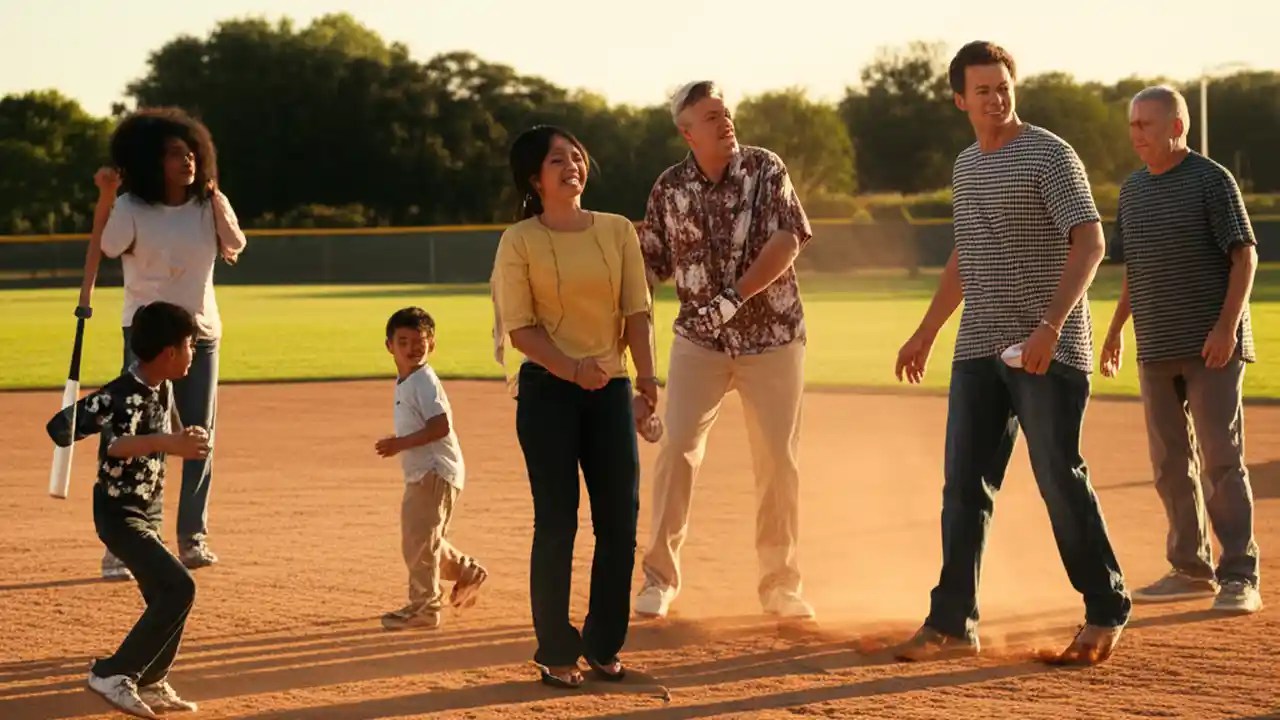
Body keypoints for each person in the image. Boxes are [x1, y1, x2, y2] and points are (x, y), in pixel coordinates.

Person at [892, 41, 1131, 664]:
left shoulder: (1049, 154)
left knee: (1057, 477)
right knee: (963, 486)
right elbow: (965, 258)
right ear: (959, 99)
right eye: (983, 91)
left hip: (1048, 347)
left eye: (1004, 87)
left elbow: (1091, 240)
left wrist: (1052, 326)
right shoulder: (966, 165)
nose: (997, 99)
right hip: (979, 345)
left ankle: (1105, 609)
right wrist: (927, 330)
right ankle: (951, 623)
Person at [634, 80, 814, 621]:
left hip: (774, 339)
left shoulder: (765, 168)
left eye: (726, 113)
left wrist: (735, 298)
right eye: (711, 117)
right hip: (699, 344)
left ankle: (780, 584)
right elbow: (650, 266)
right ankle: (658, 580)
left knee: (777, 460)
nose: (725, 122)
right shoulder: (669, 189)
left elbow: (787, 239)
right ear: (687, 132)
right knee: (678, 452)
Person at [490, 125, 658, 688]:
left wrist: (648, 380)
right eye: (556, 160)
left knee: (620, 522)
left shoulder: (616, 232)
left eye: (577, 156)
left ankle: (604, 644)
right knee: (558, 522)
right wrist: (573, 369)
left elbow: (637, 310)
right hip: (548, 394)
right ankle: (555, 650)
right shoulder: (520, 240)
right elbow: (521, 330)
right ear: (534, 178)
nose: (571, 166)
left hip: (609, 389)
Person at [1100, 86, 1262, 614]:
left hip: (1211, 346)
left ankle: (1240, 575)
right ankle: (1190, 569)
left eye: (1146, 124)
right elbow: (1136, 271)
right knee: (1170, 463)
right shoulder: (1132, 191)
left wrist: (1226, 329)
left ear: (1177, 126)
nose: (1136, 134)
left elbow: (1244, 259)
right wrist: (1116, 328)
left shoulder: (1212, 180)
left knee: (1221, 460)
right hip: (1156, 345)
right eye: (1132, 124)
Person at [94, 107, 246, 579]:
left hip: (200, 335)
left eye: (191, 153)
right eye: (175, 155)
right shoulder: (132, 208)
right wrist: (108, 196)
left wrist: (218, 200)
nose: (188, 161)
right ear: (150, 162)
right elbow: (107, 247)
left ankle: (192, 535)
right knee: (141, 438)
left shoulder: (207, 205)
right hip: (146, 338)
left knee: (198, 436)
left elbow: (235, 243)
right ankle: (126, 541)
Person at [47, 301, 209, 719]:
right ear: (170, 353)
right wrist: (167, 443)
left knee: (165, 594)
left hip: (147, 510)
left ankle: (151, 679)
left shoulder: (161, 386)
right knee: (180, 587)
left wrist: (182, 435)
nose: (194, 352)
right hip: (120, 515)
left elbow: (164, 430)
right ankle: (113, 673)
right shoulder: (123, 394)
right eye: (190, 345)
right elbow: (112, 443)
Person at [376, 307, 488, 630]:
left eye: (420, 341)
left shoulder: (423, 381)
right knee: (424, 539)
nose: (413, 348)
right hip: (429, 472)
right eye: (404, 341)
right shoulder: (408, 380)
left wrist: (399, 444)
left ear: (432, 345)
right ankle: (467, 572)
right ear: (389, 346)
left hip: (434, 471)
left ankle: (424, 606)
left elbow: (440, 426)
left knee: (418, 541)